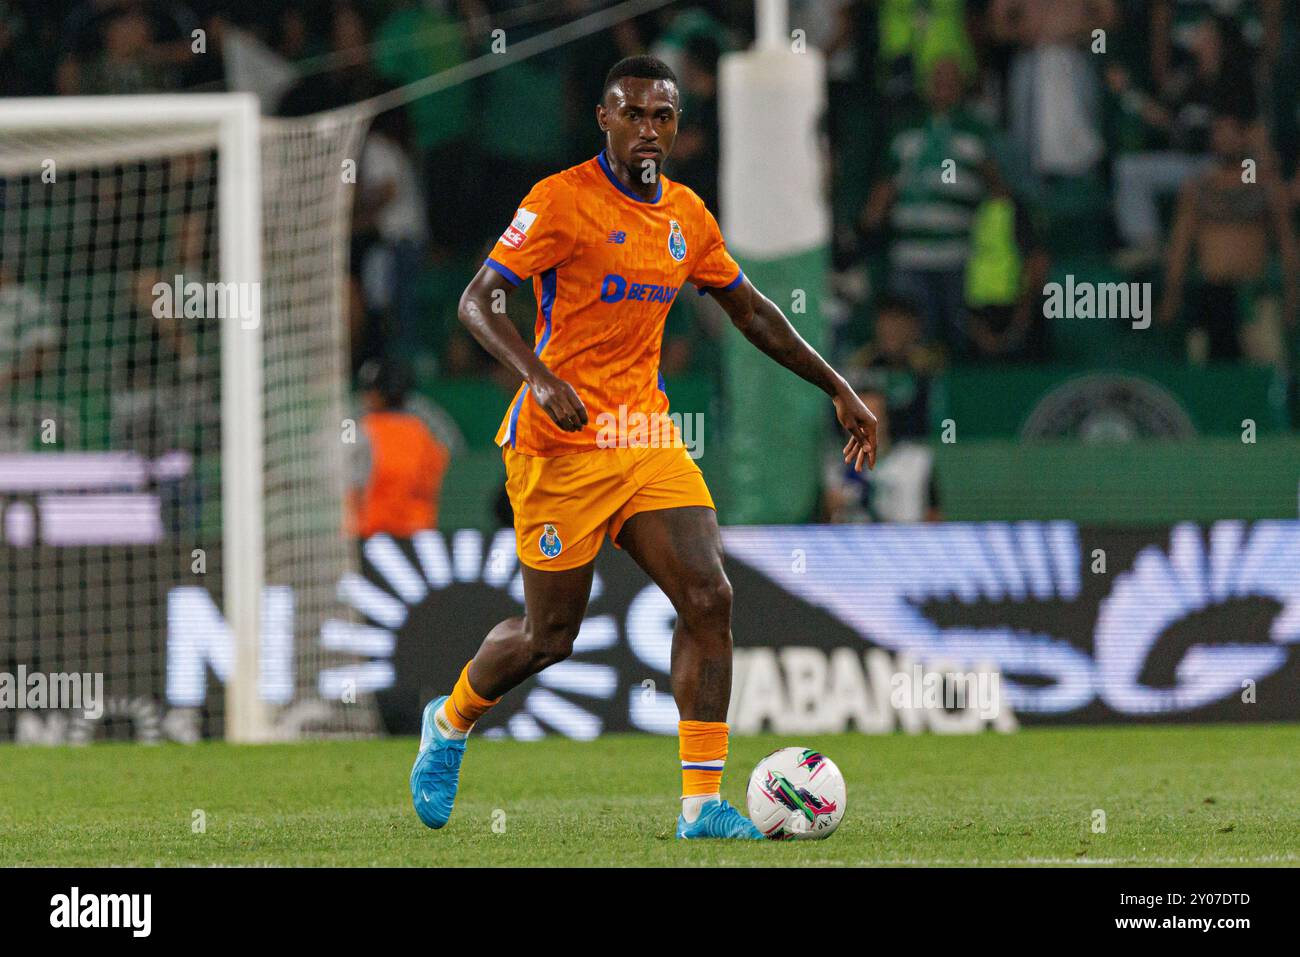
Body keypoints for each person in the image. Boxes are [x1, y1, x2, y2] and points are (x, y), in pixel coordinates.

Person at [409, 56, 877, 840]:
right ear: (605, 119)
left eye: (662, 115)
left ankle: (700, 806)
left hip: (644, 435)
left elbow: (751, 310)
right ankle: (450, 720)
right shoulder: (559, 201)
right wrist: (537, 372)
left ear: (677, 127)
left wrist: (836, 385)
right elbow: (477, 299)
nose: (648, 129)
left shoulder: (687, 216)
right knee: (547, 637)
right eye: (633, 114)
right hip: (558, 447)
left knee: (709, 596)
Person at [348, 358, 451, 539]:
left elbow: (352, 484)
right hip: (419, 537)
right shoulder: (423, 433)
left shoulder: (361, 430)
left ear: (377, 395)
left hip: (372, 537)